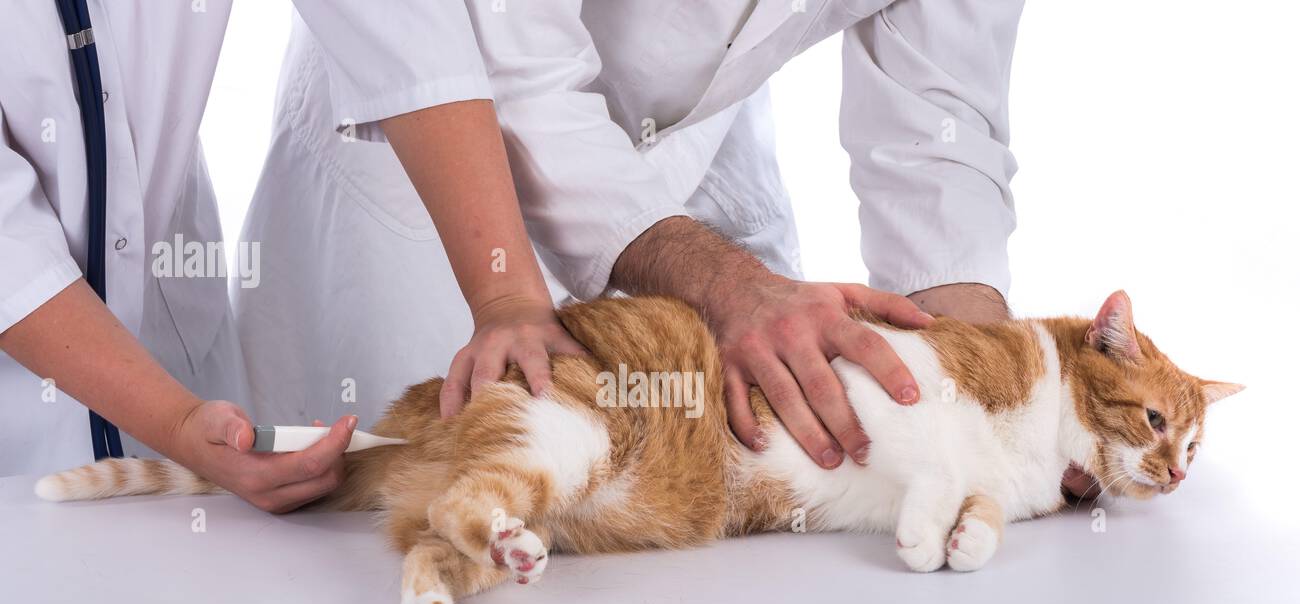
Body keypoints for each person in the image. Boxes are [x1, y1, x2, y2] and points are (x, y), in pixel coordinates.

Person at [235, 1, 1103, 492]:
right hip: (434, 153)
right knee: (401, 501)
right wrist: (727, 288)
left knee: (705, 566)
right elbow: (521, 76)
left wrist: (994, 390)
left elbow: (941, 122)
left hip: (698, 144)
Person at [0, 2, 576, 511]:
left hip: (172, 329)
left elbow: (403, 32)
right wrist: (175, 423)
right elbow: (12, 249)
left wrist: (505, 296)